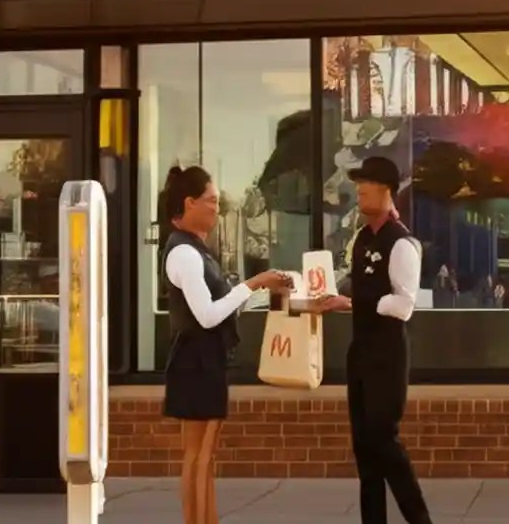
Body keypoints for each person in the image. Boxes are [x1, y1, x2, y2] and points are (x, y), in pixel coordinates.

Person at [160, 165, 289, 524]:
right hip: (195, 360)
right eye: (212, 201)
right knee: (198, 454)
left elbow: (224, 305)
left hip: (205, 359)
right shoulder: (184, 253)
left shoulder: (197, 250)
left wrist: (261, 290)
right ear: (189, 203)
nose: (218, 209)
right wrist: (253, 283)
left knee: (205, 453)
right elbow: (207, 315)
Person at [314, 156, 431, 524]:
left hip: (388, 355)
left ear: (386, 190)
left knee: (384, 441)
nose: (359, 190)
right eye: (358, 184)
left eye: (366, 184)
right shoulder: (362, 239)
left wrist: (351, 302)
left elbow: (403, 305)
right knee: (364, 450)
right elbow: (356, 287)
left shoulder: (403, 244)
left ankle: (419, 519)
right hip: (360, 352)